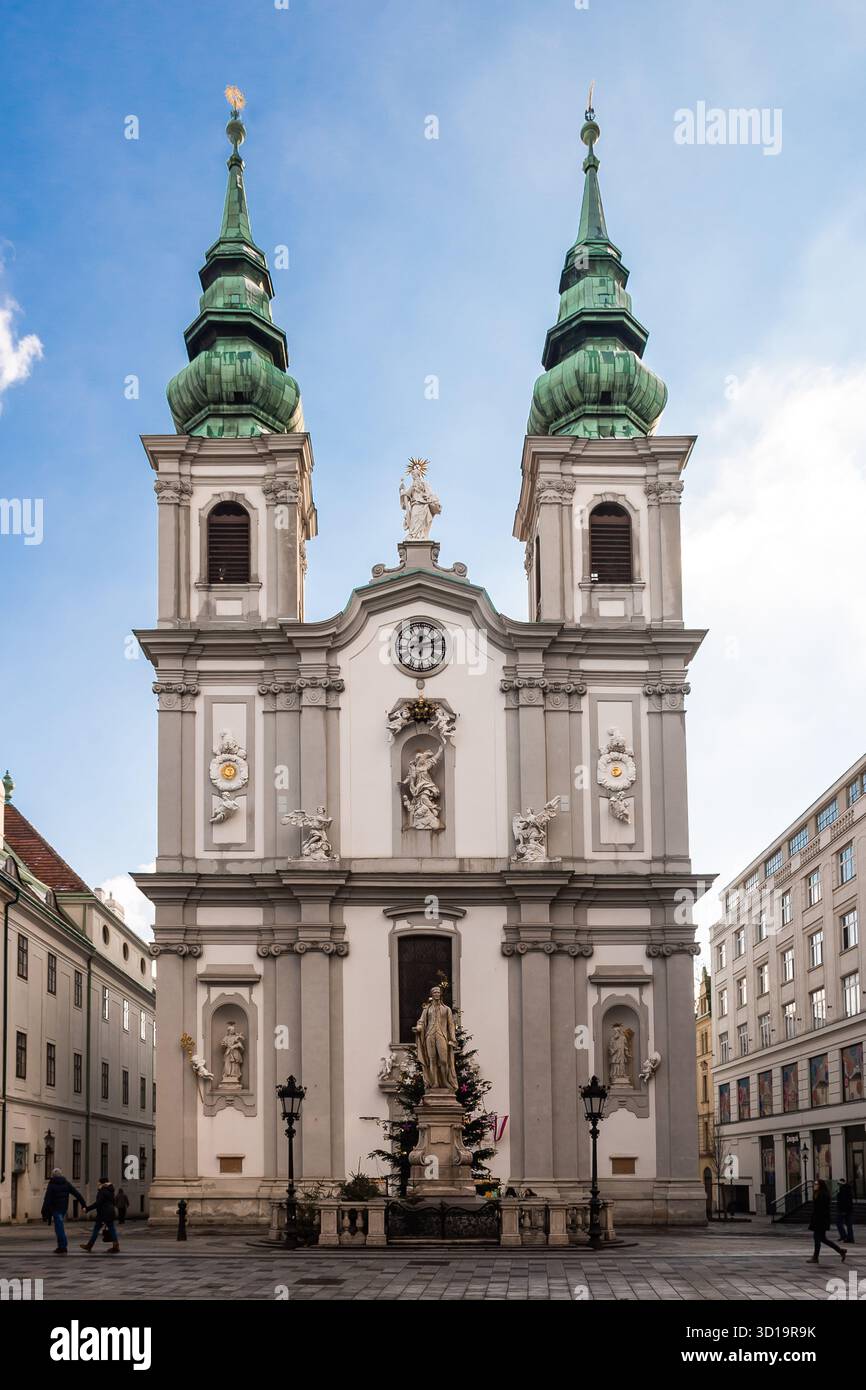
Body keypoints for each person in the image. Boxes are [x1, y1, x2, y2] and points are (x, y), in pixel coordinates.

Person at [41, 1168, 87, 1255]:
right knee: (58, 1227)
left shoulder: (52, 1184)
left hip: (55, 1209)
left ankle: (63, 1246)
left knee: (59, 1228)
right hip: (63, 1208)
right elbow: (77, 1194)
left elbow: (47, 1199)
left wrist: (43, 1211)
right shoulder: (66, 1183)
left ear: (53, 1176)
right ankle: (60, 1246)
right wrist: (83, 1204)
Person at [808, 1178, 847, 1264]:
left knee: (817, 1238)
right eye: (814, 1184)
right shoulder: (818, 1194)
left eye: (816, 1184)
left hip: (821, 1220)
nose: (814, 1186)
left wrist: (817, 1219)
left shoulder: (823, 1195)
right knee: (822, 1239)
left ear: (820, 1185)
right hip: (818, 1219)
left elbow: (822, 1209)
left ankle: (815, 1257)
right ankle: (840, 1251)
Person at [80, 1178, 121, 1254]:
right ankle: (116, 1246)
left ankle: (90, 1245)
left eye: (98, 1184)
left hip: (103, 1213)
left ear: (102, 1184)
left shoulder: (102, 1191)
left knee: (96, 1229)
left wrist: (87, 1209)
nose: (97, 1185)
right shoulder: (111, 1191)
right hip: (110, 1212)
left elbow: (98, 1203)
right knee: (111, 1228)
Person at [836, 1179, 855, 1244]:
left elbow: (844, 1201)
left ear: (841, 1184)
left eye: (838, 1184)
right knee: (849, 1225)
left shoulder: (843, 1190)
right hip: (849, 1209)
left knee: (839, 1223)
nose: (838, 1185)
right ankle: (850, 1238)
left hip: (843, 1210)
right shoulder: (848, 1189)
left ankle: (844, 1236)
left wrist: (843, 1210)